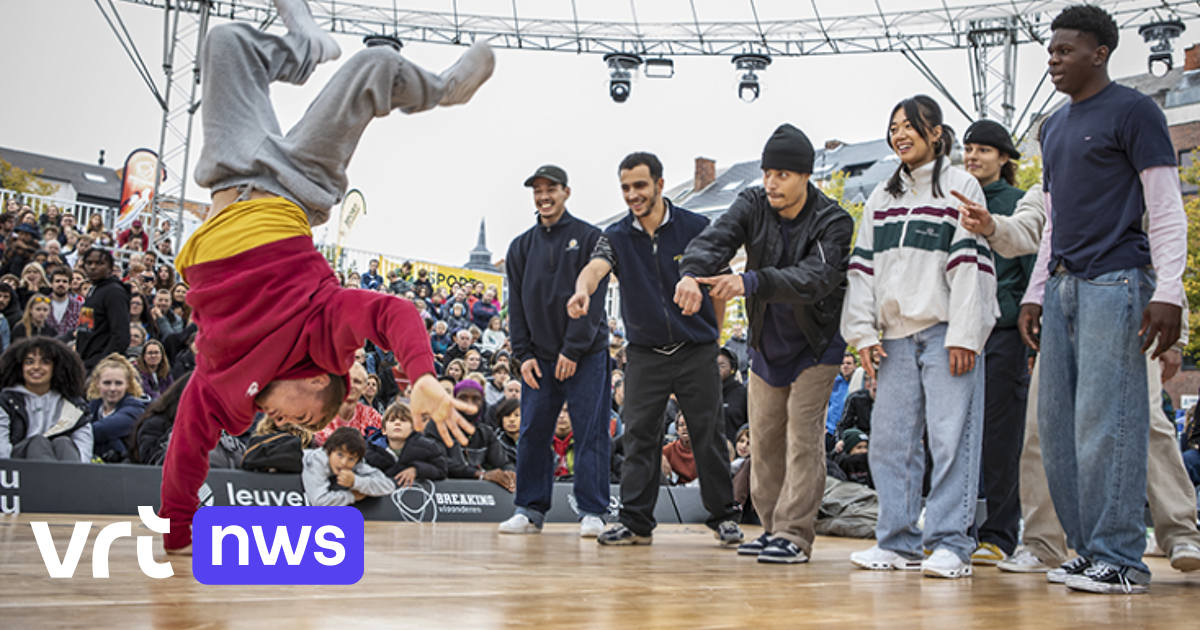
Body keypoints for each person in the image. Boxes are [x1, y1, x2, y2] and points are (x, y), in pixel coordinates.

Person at [158, 0, 491, 553]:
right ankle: (443, 87)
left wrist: (176, 533)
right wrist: (422, 375)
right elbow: (392, 312)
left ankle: (306, 46)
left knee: (225, 44)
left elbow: (186, 446)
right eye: (306, 419)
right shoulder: (323, 329)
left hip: (232, 170)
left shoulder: (224, 390)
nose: (294, 425)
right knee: (376, 65)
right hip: (294, 184)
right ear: (315, 384)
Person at [1011, 6, 1187, 595]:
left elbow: (1164, 207)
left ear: (1099, 53)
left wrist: (1169, 292)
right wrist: (1036, 291)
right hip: (1062, 285)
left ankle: (1122, 558)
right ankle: (1088, 550)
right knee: (1057, 429)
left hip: (1118, 282)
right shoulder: (1053, 127)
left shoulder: (1137, 111)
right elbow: (1055, 221)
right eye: (1051, 51)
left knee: (1107, 425)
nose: (1054, 61)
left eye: (1065, 51)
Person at [961, 187, 1200, 573]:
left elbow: (1163, 241)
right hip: (1062, 310)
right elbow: (1029, 230)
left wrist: (1179, 332)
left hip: (1125, 309)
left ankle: (1181, 532)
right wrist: (993, 226)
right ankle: (1042, 543)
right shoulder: (1050, 184)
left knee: (1149, 421)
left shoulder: (1126, 173)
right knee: (1041, 429)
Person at [679, 124, 854, 564]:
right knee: (765, 438)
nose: (771, 183)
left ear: (805, 176)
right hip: (765, 343)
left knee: (802, 437)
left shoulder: (833, 220)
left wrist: (750, 280)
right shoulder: (753, 203)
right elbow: (718, 237)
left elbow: (816, 279)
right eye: (767, 173)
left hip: (816, 344)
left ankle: (795, 535)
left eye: (782, 175)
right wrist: (691, 272)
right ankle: (773, 527)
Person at [842, 96, 996, 579]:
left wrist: (967, 335)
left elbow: (972, 264)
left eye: (911, 126)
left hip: (949, 330)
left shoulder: (961, 185)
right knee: (890, 442)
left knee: (953, 440)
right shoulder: (881, 198)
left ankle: (952, 544)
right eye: (894, 127)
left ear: (936, 134)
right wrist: (863, 334)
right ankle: (898, 542)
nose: (900, 134)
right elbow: (862, 271)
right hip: (896, 338)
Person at [568, 151, 742, 548]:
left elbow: (719, 282)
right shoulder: (615, 236)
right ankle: (636, 521)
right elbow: (596, 267)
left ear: (660, 185)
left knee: (708, 435)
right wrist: (582, 289)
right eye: (626, 187)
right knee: (639, 436)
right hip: (645, 352)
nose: (633, 194)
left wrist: (711, 335)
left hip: (696, 349)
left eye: (640, 185)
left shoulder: (697, 227)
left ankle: (723, 517)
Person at [498, 164, 612, 538]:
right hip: (539, 359)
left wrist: (574, 349)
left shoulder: (591, 237)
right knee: (532, 431)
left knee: (590, 430)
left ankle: (593, 510)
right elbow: (516, 306)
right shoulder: (520, 247)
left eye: (551, 189)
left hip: (586, 354)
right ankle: (530, 510)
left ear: (566, 191)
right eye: (537, 190)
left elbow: (593, 303)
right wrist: (523, 356)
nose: (544, 196)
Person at [955, 119, 1034, 567]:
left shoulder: (1018, 203)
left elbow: (1026, 271)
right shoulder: (952, 200)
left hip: (1003, 333)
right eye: (968, 148)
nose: (973, 156)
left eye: (984, 149)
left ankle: (1000, 535)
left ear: (1004, 158)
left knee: (1002, 438)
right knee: (956, 434)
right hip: (959, 333)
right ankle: (956, 529)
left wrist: (1028, 325)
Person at [0, 337, 92, 462]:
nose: (36, 367)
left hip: (61, 462)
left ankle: (70, 480)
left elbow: (83, 449)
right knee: (38, 442)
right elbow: (2, 448)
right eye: (29, 362)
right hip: (20, 467)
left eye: (45, 362)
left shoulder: (75, 405)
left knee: (63, 442)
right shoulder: (5, 401)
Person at [302, 426, 394, 506]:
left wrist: (355, 481)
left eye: (351, 459)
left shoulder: (356, 464)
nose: (344, 463)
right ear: (329, 451)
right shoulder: (317, 460)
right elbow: (318, 502)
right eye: (340, 454)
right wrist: (351, 496)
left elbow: (389, 486)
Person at [364, 401, 448, 486]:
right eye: (392, 420)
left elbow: (441, 470)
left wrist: (416, 470)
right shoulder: (370, 452)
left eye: (403, 420)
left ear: (412, 428)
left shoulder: (429, 447)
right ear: (384, 430)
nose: (397, 423)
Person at [75, 248, 132, 373]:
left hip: (99, 367)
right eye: (89, 263)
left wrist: (101, 366)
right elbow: (85, 330)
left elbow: (120, 336)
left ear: (110, 267)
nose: (93, 267)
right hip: (84, 362)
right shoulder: (94, 290)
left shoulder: (114, 292)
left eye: (99, 263)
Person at [86, 353, 150, 461]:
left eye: (118, 383)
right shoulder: (92, 406)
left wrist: (78, 434)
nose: (112, 388)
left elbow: (103, 430)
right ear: (97, 383)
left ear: (127, 384)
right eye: (107, 383)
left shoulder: (135, 409)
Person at [313, 362, 383, 446]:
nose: (351, 385)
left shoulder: (371, 415)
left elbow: (385, 433)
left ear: (364, 388)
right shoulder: (320, 412)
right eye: (347, 380)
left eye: (357, 382)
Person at [46, 265, 81, 337]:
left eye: (64, 281)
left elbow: (87, 331)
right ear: (51, 284)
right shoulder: (40, 304)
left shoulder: (83, 306)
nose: (61, 284)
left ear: (70, 284)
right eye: (57, 281)